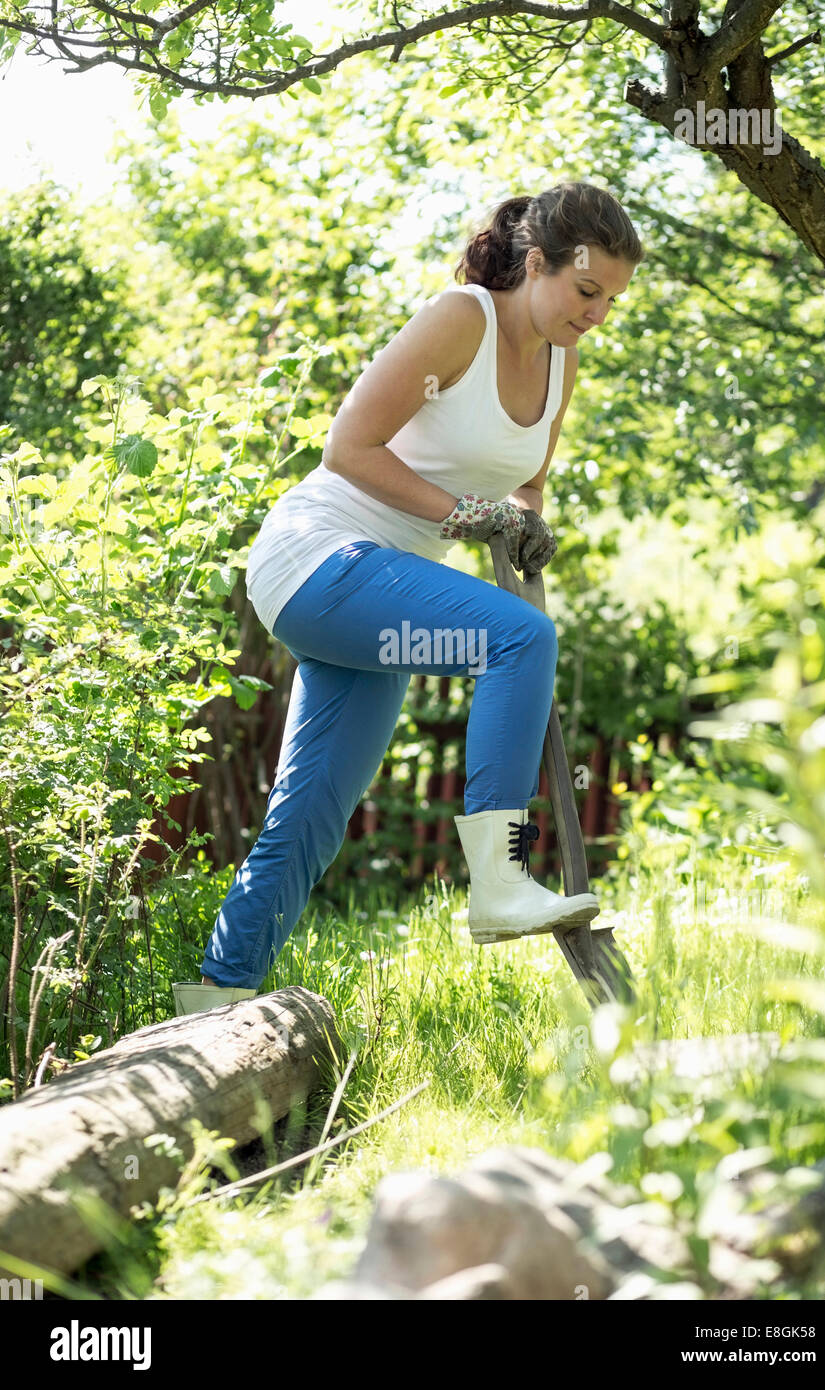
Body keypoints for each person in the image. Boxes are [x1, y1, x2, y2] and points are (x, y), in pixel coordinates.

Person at [172, 181, 643, 1015]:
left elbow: (527, 484)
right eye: (585, 290)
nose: (597, 313)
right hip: (317, 559)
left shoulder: (562, 363)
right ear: (536, 265)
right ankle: (499, 880)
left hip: (380, 607)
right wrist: (473, 516)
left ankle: (210, 1007)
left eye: (611, 298)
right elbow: (349, 447)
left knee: (313, 815)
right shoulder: (463, 318)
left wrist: (528, 521)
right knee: (520, 639)